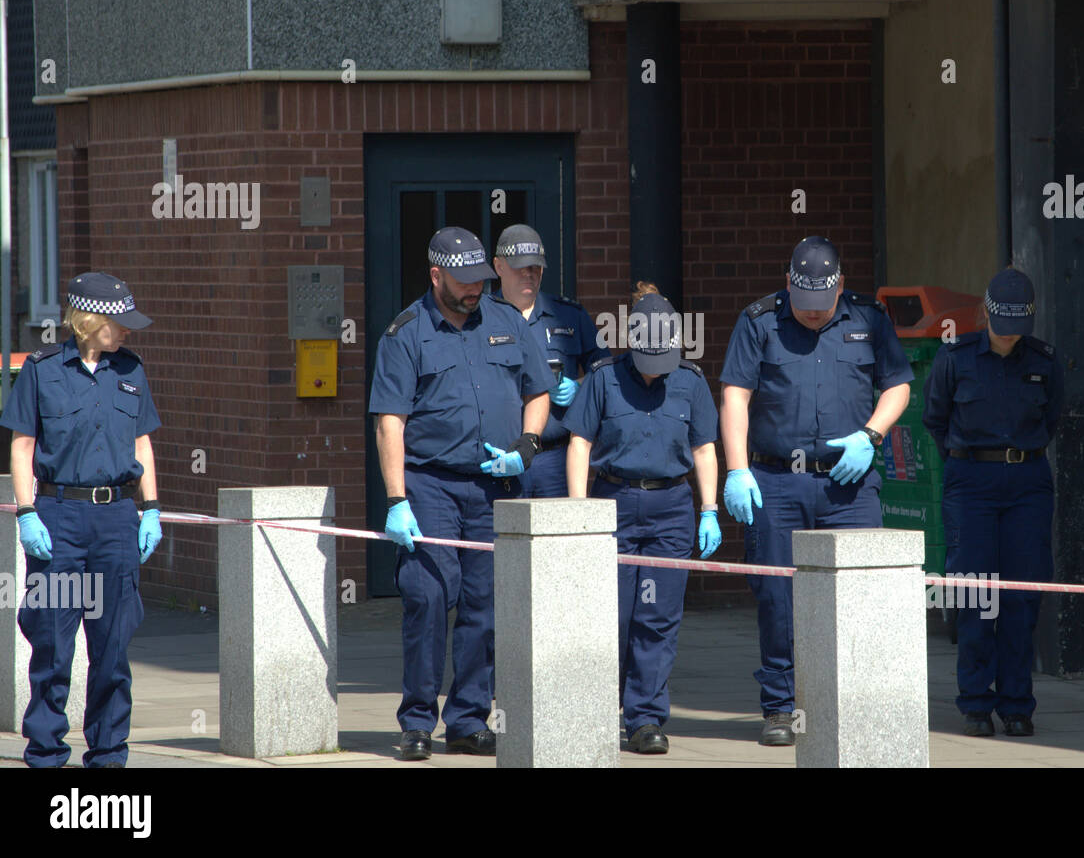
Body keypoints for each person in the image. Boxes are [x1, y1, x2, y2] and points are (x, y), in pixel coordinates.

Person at [719, 236, 913, 745]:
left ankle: (858, 702)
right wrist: (736, 470)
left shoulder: (868, 319)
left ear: (840, 286)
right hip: (775, 481)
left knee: (860, 594)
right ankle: (780, 709)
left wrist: (871, 436)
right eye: (803, 304)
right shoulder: (758, 320)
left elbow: (898, 384)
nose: (811, 314)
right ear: (788, 283)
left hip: (846, 482)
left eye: (822, 306)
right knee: (776, 598)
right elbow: (735, 397)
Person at [368, 227, 552, 759]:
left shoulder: (506, 323)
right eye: (465, 281)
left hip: (495, 483)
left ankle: (469, 719)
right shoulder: (405, 333)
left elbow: (538, 391)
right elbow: (390, 422)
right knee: (428, 596)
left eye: (481, 280)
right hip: (430, 483)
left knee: (485, 605)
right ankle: (417, 722)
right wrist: (397, 499)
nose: (475, 290)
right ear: (436, 275)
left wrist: (528, 444)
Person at [1, 272, 162, 768]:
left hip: (115, 518)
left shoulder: (131, 369)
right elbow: (22, 446)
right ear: (91, 321)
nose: (128, 332)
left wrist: (151, 509)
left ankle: (109, 756)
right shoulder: (43, 369)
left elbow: (142, 443)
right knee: (52, 644)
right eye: (120, 324)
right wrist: (27, 513)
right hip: (58, 518)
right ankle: (46, 754)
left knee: (112, 648)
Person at [563, 284, 720, 754]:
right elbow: (580, 444)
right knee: (613, 615)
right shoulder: (603, 378)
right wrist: (579, 513)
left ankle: (645, 718)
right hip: (614, 502)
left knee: (657, 617)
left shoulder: (690, 381)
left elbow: (704, 448)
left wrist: (709, 509)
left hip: (671, 508)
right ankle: (594, 706)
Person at [922, 268, 1064, 737]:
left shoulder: (1044, 359)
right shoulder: (955, 357)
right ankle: (977, 703)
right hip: (972, 482)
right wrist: (970, 462)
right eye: (1000, 326)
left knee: (1023, 597)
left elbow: (1055, 416)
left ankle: (1018, 705)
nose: (1007, 336)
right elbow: (935, 419)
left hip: (1027, 480)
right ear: (986, 313)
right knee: (976, 594)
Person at [492, 223, 602, 497]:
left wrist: (578, 385)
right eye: (521, 267)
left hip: (554, 458)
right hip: (502, 454)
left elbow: (604, 372)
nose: (529, 274)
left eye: (536, 267)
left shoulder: (569, 315)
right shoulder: (481, 319)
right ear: (498, 266)